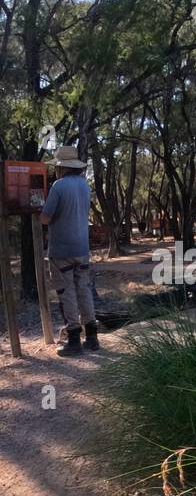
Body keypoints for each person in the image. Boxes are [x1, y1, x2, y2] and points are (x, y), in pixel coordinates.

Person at [41, 145, 96, 356]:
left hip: (62, 249)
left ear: (60, 167)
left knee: (67, 291)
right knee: (84, 288)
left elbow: (45, 217)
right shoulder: (85, 186)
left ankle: (74, 338)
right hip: (82, 248)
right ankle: (92, 336)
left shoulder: (58, 186)